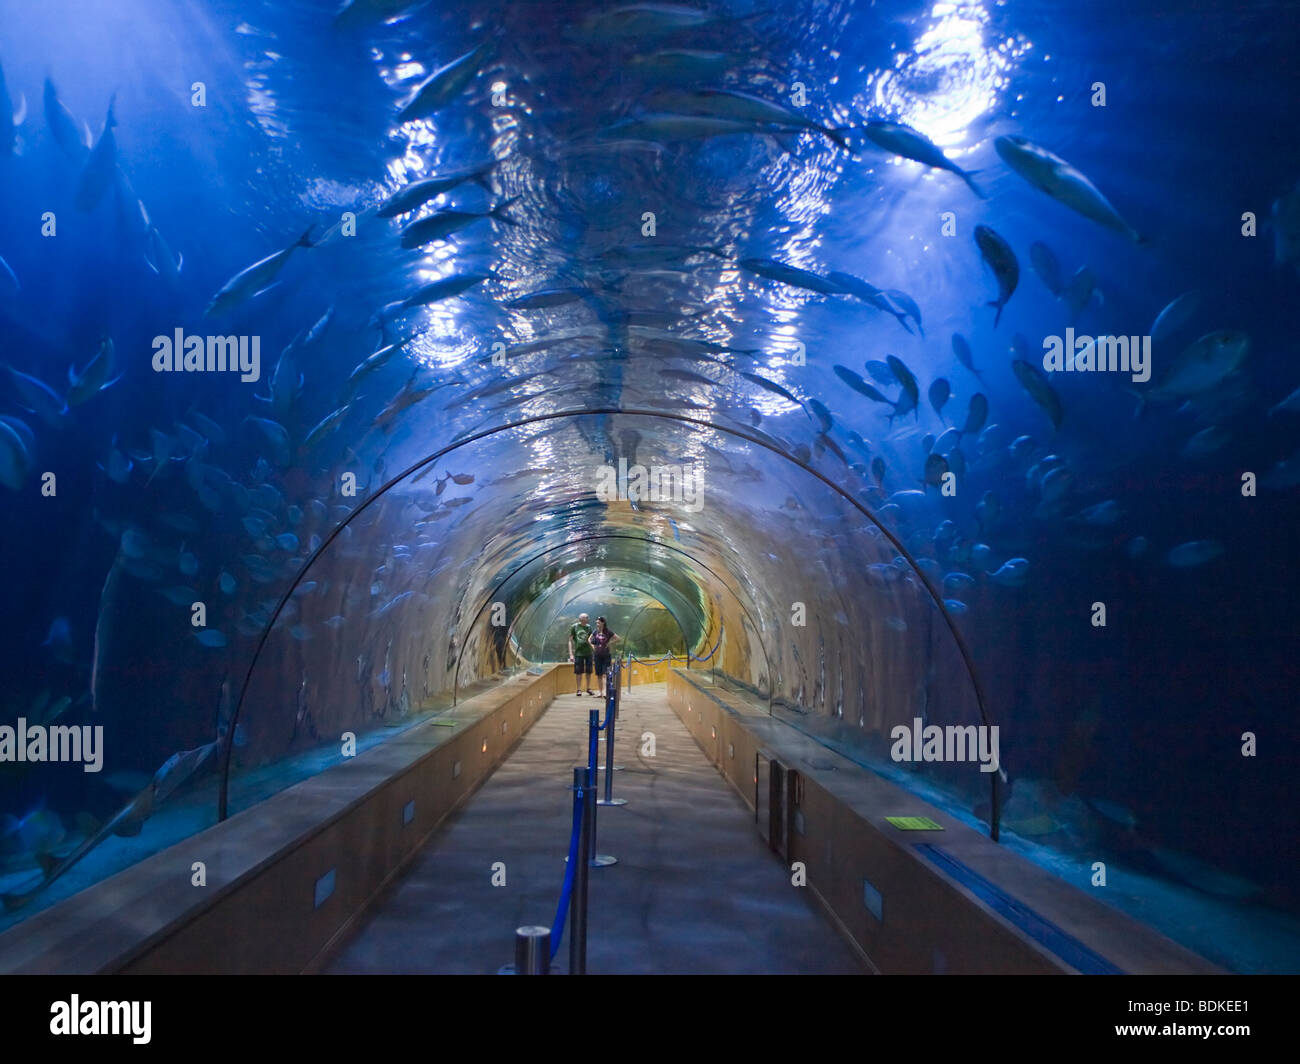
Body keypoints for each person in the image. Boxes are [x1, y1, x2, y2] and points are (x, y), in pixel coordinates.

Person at [568, 613, 594, 695]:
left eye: (586, 618)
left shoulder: (589, 627)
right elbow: (570, 640)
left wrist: (594, 649)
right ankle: (579, 689)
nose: (585, 619)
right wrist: (571, 654)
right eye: (584, 618)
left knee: (589, 671)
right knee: (578, 672)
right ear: (580, 619)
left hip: (588, 652)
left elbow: (591, 639)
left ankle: (588, 688)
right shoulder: (574, 627)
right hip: (579, 653)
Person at [590, 616, 620, 688]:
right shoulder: (595, 631)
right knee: (599, 674)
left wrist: (610, 643)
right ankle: (600, 692)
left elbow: (618, 638)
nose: (597, 624)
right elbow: (589, 639)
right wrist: (593, 646)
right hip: (597, 655)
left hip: (606, 655)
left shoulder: (608, 631)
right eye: (596, 623)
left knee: (605, 674)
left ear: (603, 623)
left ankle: (605, 692)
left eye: (599, 623)